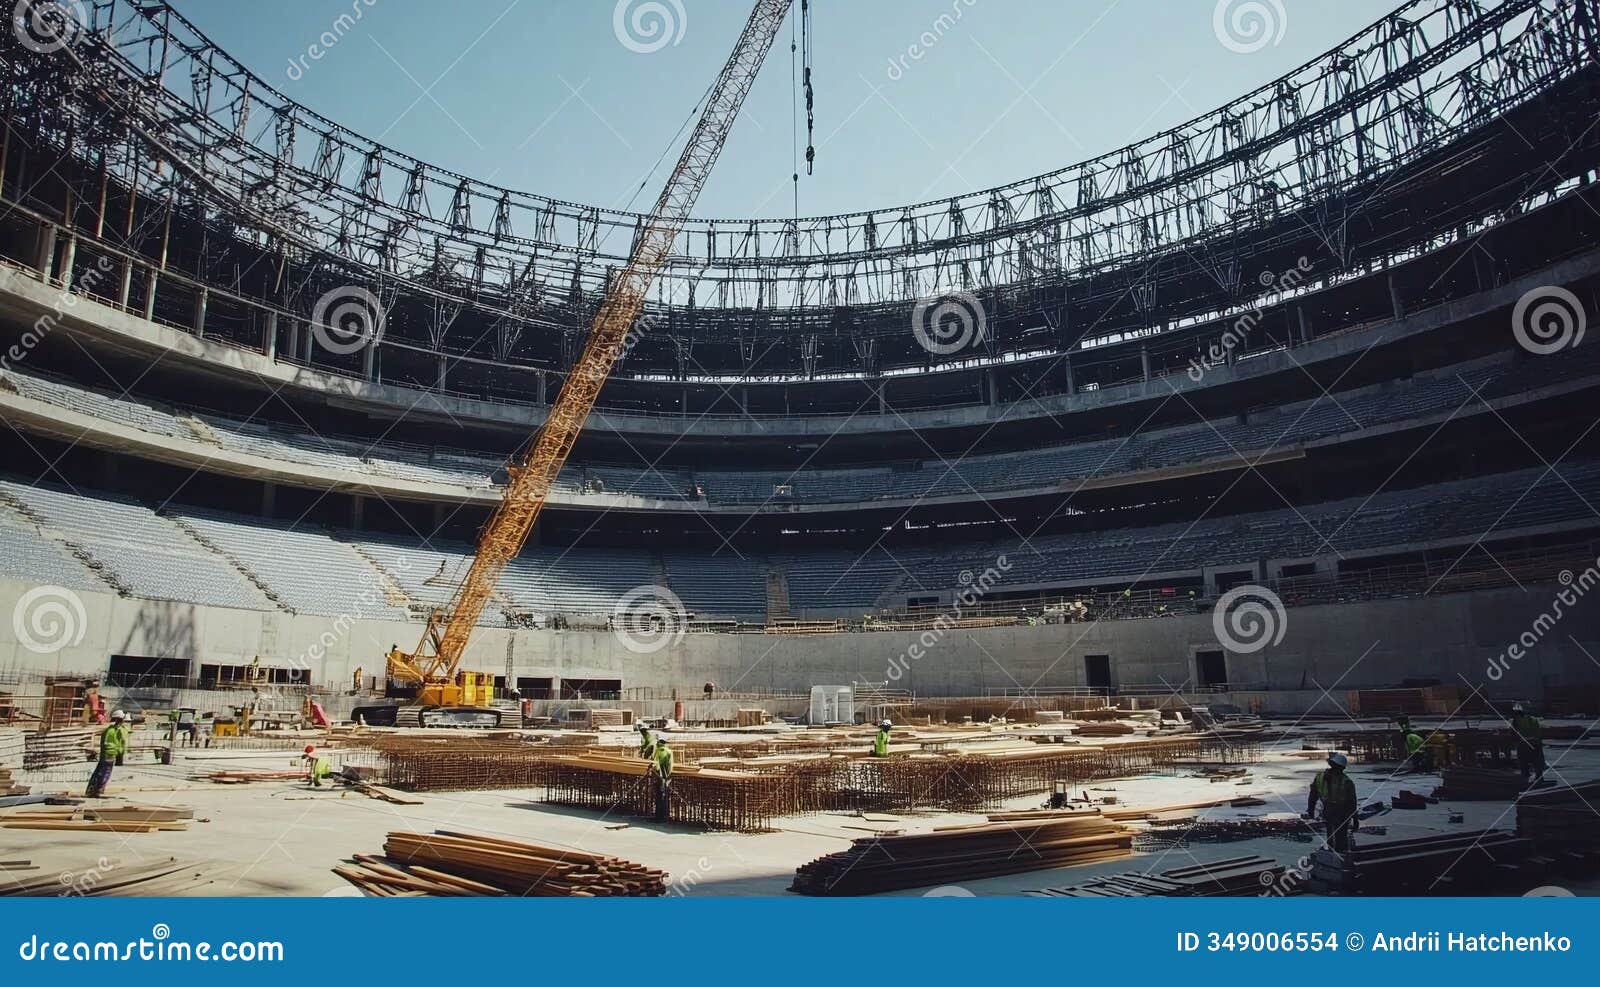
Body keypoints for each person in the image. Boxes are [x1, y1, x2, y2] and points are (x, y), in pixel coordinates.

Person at [1305, 752, 1359, 854]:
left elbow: (1313, 795)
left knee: (1332, 835)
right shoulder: (1346, 781)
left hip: (1330, 811)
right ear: (1341, 768)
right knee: (1340, 837)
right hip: (1341, 812)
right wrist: (1355, 819)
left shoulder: (1320, 777)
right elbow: (1352, 802)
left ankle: (1334, 855)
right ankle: (1340, 858)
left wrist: (1310, 810)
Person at [86, 710, 129, 798]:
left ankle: (91, 789)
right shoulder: (120, 730)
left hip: (104, 754)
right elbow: (122, 743)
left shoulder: (108, 730)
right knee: (105, 773)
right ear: (122, 719)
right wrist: (121, 754)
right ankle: (97, 790)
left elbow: (104, 742)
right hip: (111, 754)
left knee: (99, 771)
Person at [1510, 703, 1545, 787]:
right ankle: (1539, 779)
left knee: (1523, 763)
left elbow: (1513, 733)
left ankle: (1525, 779)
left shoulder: (1516, 720)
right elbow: (1540, 733)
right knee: (1537, 762)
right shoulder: (1533, 719)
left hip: (1524, 743)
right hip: (1536, 743)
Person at [650, 739, 674, 822]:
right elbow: (670, 765)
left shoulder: (658, 751)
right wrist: (668, 777)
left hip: (659, 777)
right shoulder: (669, 751)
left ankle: (659, 817)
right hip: (667, 777)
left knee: (659, 797)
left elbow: (655, 764)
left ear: (660, 743)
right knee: (665, 797)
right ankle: (665, 816)